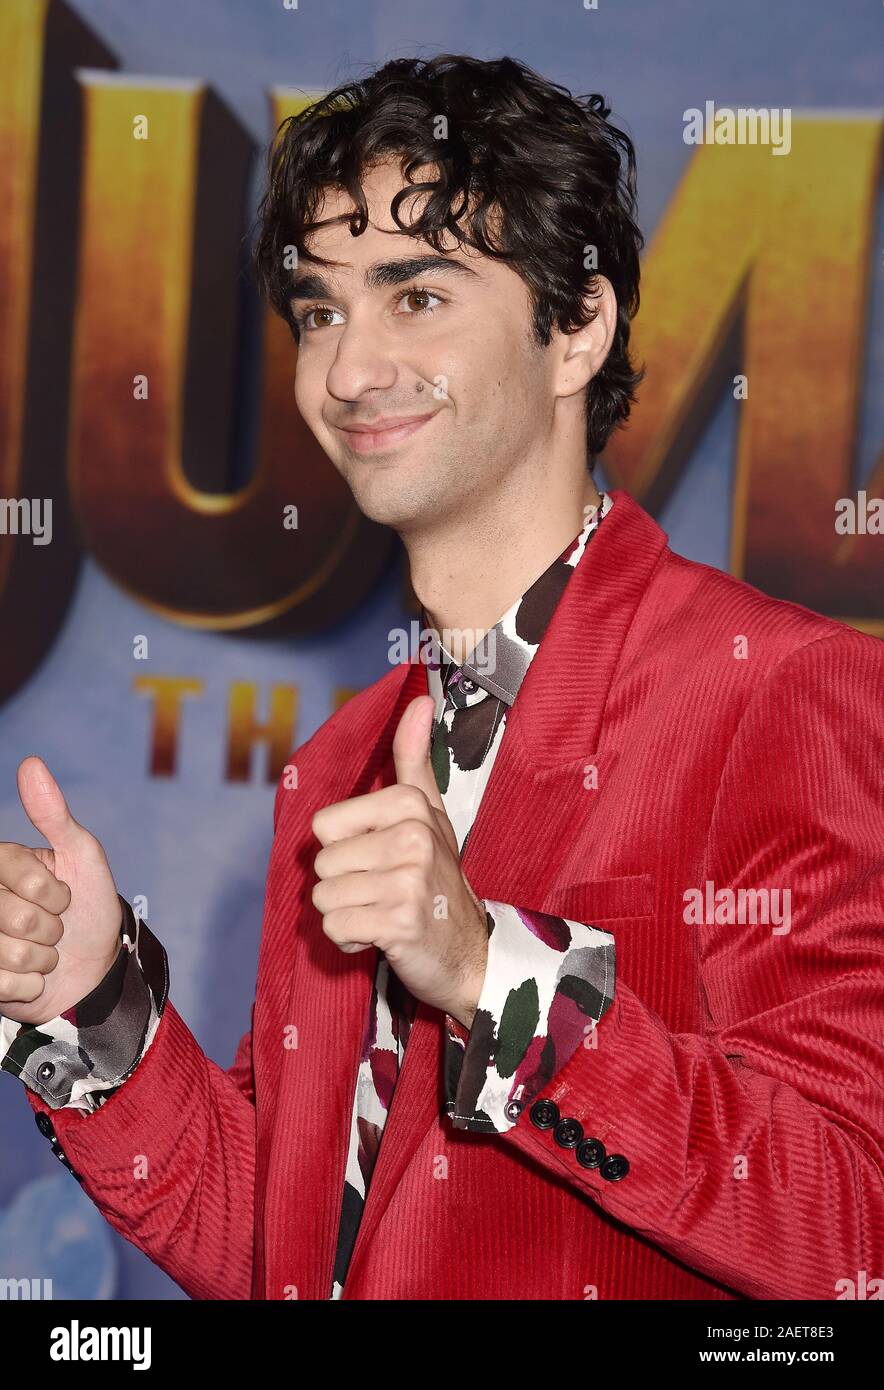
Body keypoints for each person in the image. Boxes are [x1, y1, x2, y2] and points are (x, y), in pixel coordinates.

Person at [1, 54, 881, 1302]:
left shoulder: (779, 693)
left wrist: (489, 972)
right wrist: (93, 1000)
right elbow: (287, 1248)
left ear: (577, 326)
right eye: (319, 309)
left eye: (415, 296)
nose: (346, 371)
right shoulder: (343, 762)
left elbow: (852, 1227)